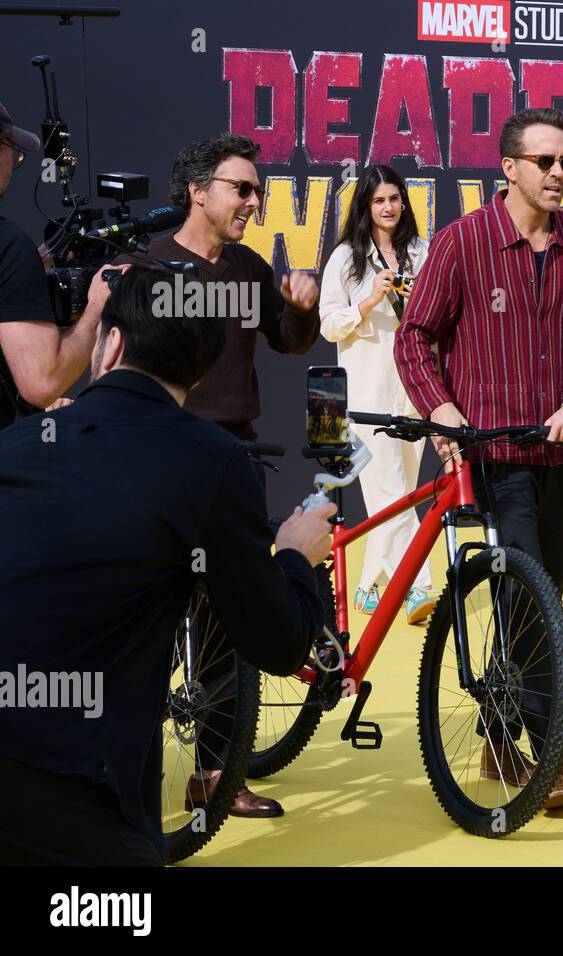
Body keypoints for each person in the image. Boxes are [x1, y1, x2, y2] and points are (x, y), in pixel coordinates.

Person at [0, 266, 334, 865]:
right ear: (201, 372)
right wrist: (294, 556)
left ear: (113, 343)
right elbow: (280, 644)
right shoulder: (213, 462)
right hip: (79, 802)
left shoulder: (18, 444)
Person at [395, 107, 563, 810]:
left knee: (537, 599)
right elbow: (414, 338)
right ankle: (548, 750)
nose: (560, 174)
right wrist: (441, 408)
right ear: (509, 168)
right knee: (529, 598)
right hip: (494, 455)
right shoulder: (462, 243)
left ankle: (497, 737)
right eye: (546, 162)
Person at [114, 132, 323, 819]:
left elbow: (288, 344)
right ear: (198, 191)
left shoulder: (249, 268)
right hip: (158, 457)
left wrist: (299, 309)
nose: (254, 201)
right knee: (145, 616)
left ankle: (214, 773)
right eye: (242, 188)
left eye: (257, 190)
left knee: (225, 623)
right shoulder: (147, 267)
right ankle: (121, 771)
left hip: (233, 459)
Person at [320, 164, 434, 625]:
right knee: (389, 492)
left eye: (395, 198)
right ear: (366, 206)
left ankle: (367, 585)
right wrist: (366, 302)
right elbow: (329, 324)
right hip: (366, 394)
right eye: (379, 200)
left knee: (402, 493)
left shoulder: (421, 252)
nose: (389, 207)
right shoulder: (347, 258)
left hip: (413, 390)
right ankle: (419, 586)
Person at [0, 100, 106, 426]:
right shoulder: (8, 247)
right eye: (12, 153)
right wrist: (98, 307)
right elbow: (41, 384)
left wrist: (27, 273)